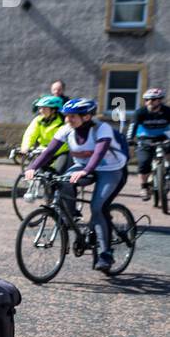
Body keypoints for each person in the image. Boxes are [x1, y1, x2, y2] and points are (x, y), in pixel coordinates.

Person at [25, 98, 128, 272]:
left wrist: (86, 170)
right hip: (83, 166)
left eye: (72, 116)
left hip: (111, 168)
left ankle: (105, 253)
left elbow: (99, 152)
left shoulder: (102, 129)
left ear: (87, 116)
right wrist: (32, 167)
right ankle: (70, 215)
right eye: (66, 116)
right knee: (62, 181)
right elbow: (50, 150)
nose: (68, 120)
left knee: (98, 207)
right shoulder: (67, 130)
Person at [131, 88, 169, 200]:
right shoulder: (140, 112)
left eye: (153, 100)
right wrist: (130, 139)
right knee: (143, 163)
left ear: (160, 100)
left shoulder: (167, 111)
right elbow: (133, 126)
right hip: (145, 138)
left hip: (164, 136)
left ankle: (168, 175)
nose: (149, 102)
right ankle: (144, 187)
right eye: (147, 100)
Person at [20, 95, 66, 170]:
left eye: (44, 108)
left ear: (53, 110)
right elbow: (30, 134)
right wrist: (26, 147)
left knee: (58, 172)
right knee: (32, 171)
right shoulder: (38, 120)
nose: (41, 111)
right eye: (40, 108)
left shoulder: (63, 122)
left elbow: (64, 143)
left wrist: (50, 149)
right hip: (43, 151)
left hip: (60, 152)